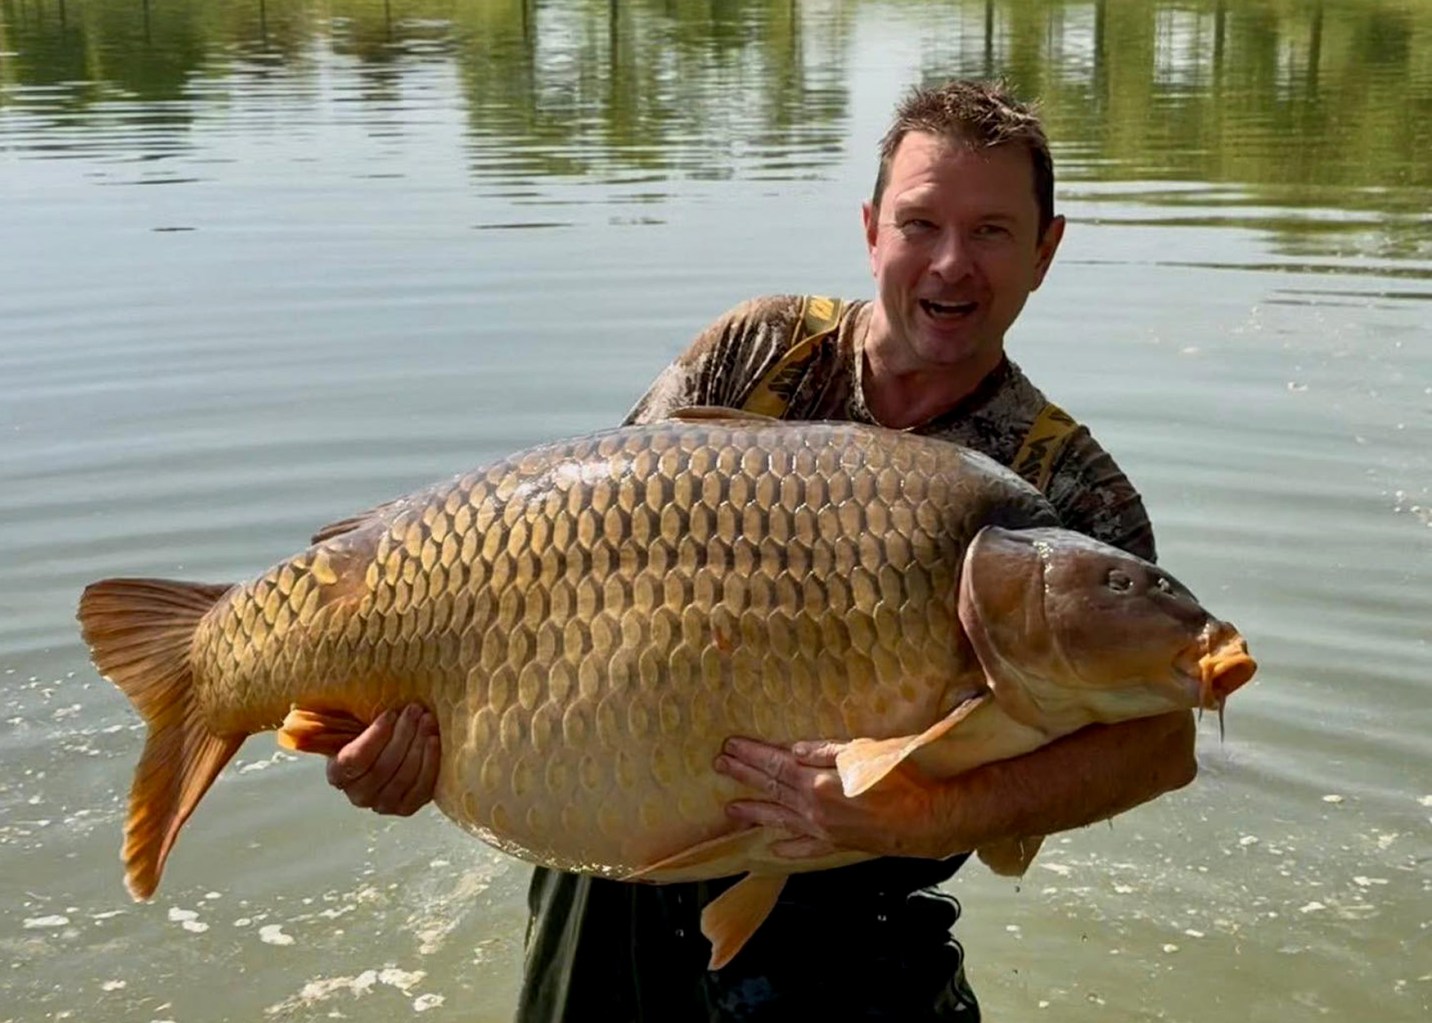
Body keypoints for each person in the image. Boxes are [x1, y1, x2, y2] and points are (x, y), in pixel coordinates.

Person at [324, 79, 1197, 1021]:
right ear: (871, 231)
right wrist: (411, 735)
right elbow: (563, 567)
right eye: (920, 224)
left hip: (857, 890)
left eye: (990, 231)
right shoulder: (760, 352)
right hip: (622, 824)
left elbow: (1157, 744)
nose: (951, 264)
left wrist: (922, 816)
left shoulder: (1068, 492)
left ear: (1045, 250)